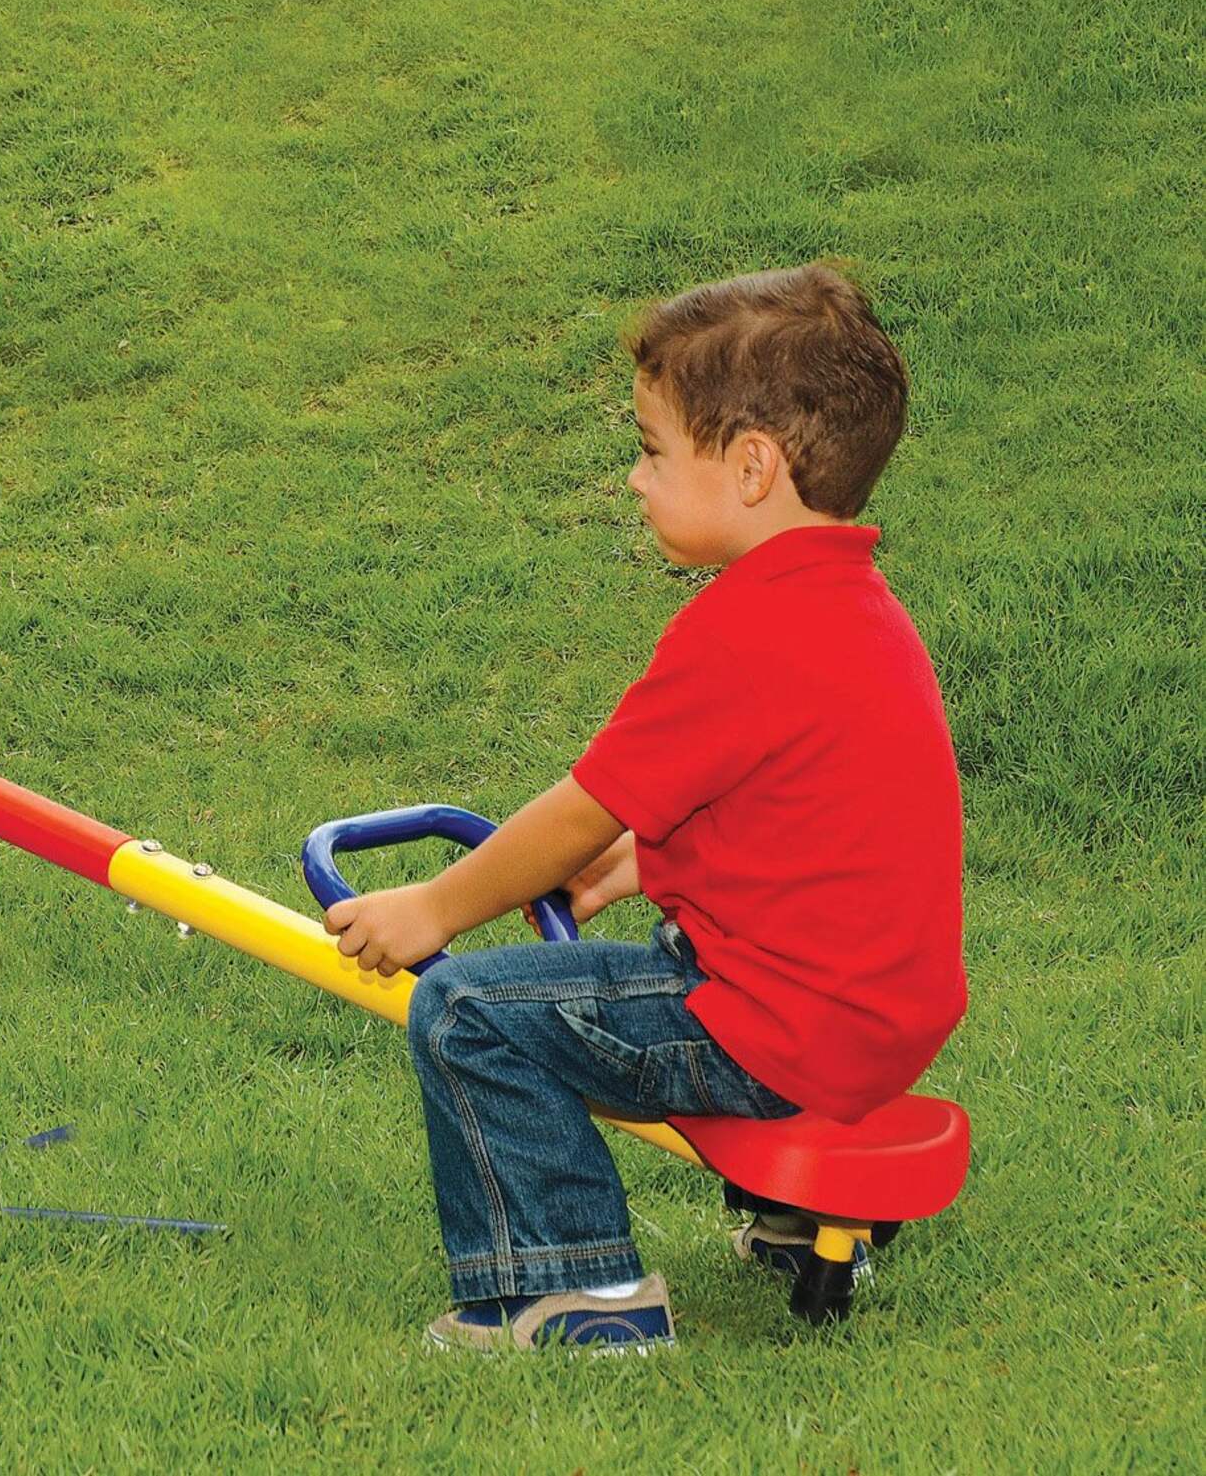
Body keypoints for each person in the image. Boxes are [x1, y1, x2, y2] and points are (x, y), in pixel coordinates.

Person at [322, 261, 965, 1350]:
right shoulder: (855, 611)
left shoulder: (736, 634)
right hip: (876, 1021)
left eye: (653, 449)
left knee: (471, 1011)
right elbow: (787, 821)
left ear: (751, 466)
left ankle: (568, 1290)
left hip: (777, 1029)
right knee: (668, 944)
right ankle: (796, 1216)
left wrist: (433, 908)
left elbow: (579, 806)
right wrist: (635, 861)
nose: (634, 478)